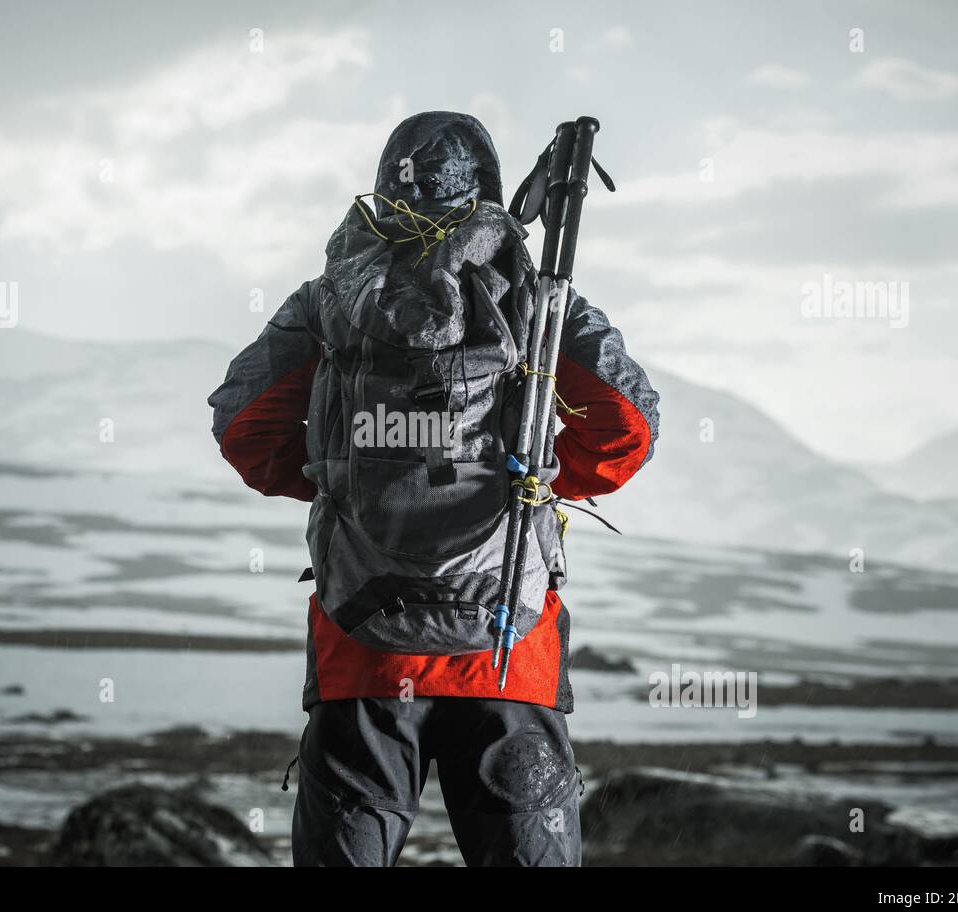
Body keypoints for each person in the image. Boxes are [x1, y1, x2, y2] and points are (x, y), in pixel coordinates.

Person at [208, 111, 658, 866]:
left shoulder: (327, 302)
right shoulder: (536, 301)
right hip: (508, 653)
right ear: (486, 190)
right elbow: (626, 430)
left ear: (384, 194)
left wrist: (344, 479)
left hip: (365, 654)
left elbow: (243, 428)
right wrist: (532, 481)